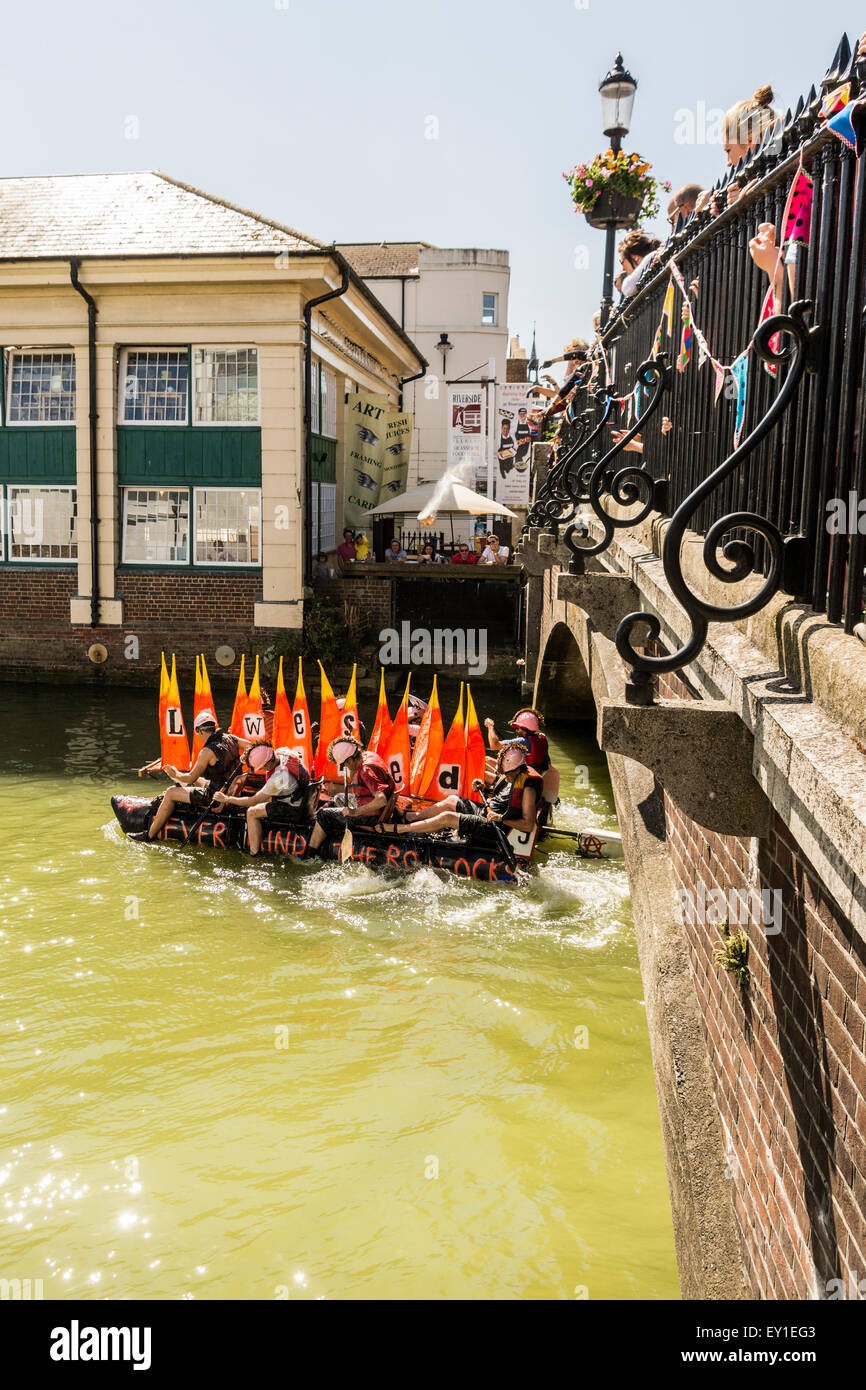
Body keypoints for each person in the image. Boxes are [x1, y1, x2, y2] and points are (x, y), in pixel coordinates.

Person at [384, 741, 541, 846]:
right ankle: (410, 817)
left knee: (448, 817)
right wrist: (485, 789)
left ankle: (401, 829)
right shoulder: (512, 775)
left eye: (507, 773)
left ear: (517, 768)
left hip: (496, 826)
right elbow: (503, 794)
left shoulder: (528, 788)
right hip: (488, 812)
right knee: (452, 800)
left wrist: (500, 818)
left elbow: (528, 825)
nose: (505, 776)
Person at [135, 712, 253, 842]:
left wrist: (175, 774)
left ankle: (149, 835)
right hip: (229, 790)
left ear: (200, 731)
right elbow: (252, 746)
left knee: (170, 792)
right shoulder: (230, 738)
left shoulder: (207, 752)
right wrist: (246, 757)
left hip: (214, 797)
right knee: (198, 780)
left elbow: (190, 778)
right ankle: (181, 801)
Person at [211, 742, 312, 856]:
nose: (263, 770)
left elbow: (253, 801)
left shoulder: (279, 777)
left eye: (262, 767)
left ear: (268, 764)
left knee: (251, 812)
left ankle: (254, 853)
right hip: (298, 797)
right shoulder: (282, 753)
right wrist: (248, 758)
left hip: (292, 808)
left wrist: (227, 799)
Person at [695, 86, 779, 213]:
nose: (728, 162)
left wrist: (751, 200)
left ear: (751, 142)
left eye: (728, 150)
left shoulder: (792, 172)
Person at [307, 736, 397, 854]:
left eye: (344, 765)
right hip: (379, 811)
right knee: (338, 798)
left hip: (370, 818)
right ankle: (317, 821)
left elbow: (381, 800)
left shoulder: (365, 770)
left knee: (324, 815)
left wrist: (355, 812)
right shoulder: (369, 755)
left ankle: (309, 854)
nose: (345, 768)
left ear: (349, 760)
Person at [485, 708, 550, 773]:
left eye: (517, 728)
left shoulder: (523, 741)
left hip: (522, 778)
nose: (516, 730)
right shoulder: (541, 738)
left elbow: (494, 745)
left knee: (485, 760)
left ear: (525, 731)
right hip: (536, 775)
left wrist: (490, 726)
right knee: (487, 760)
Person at [619, 231, 663, 297]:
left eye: (622, 262)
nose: (623, 268)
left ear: (635, 257)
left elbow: (628, 288)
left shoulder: (652, 257)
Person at [513, 407, 532, 471]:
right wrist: (517, 442)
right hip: (517, 446)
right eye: (521, 414)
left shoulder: (529, 424)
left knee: (520, 456)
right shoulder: (515, 424)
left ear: (526, 414)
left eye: (524, 414)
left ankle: (521, 468)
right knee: (517, 456)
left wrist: (528, 439)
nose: (522, 415)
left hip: (526, 447)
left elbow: (532, 436)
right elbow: (511, 435)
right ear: (519, 415)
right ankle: (520, 469)